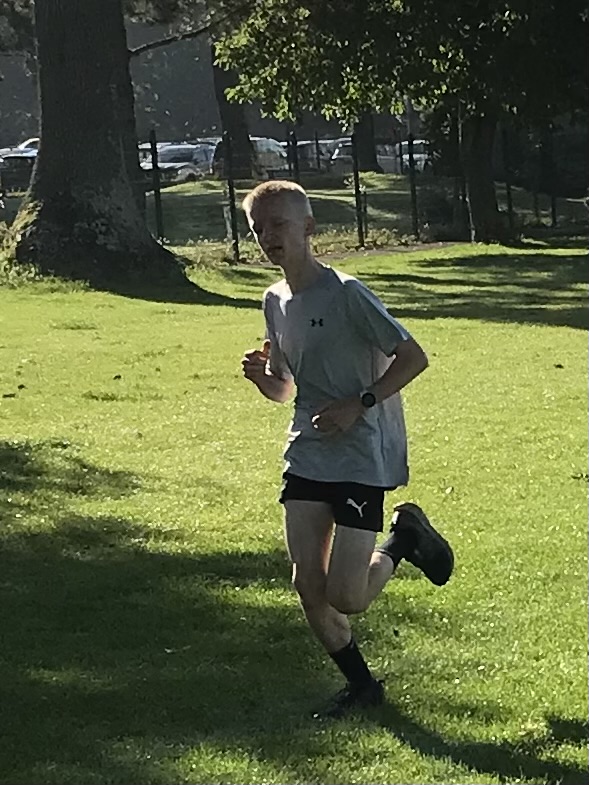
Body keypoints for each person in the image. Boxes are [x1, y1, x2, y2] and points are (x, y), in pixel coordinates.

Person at [241, 180, 453, 719]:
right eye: (258, 229)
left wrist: (359, 402)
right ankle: (363, 687)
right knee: (306, 584)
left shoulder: (348, 294)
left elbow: (413, 357)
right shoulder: (275, 301)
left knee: (348, 597)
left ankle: (404, 539)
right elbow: (289, 387)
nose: (268, 237)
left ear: (309, 229)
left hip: (360, 453)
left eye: (278, 225)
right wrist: (266, 382)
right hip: (307, 451)